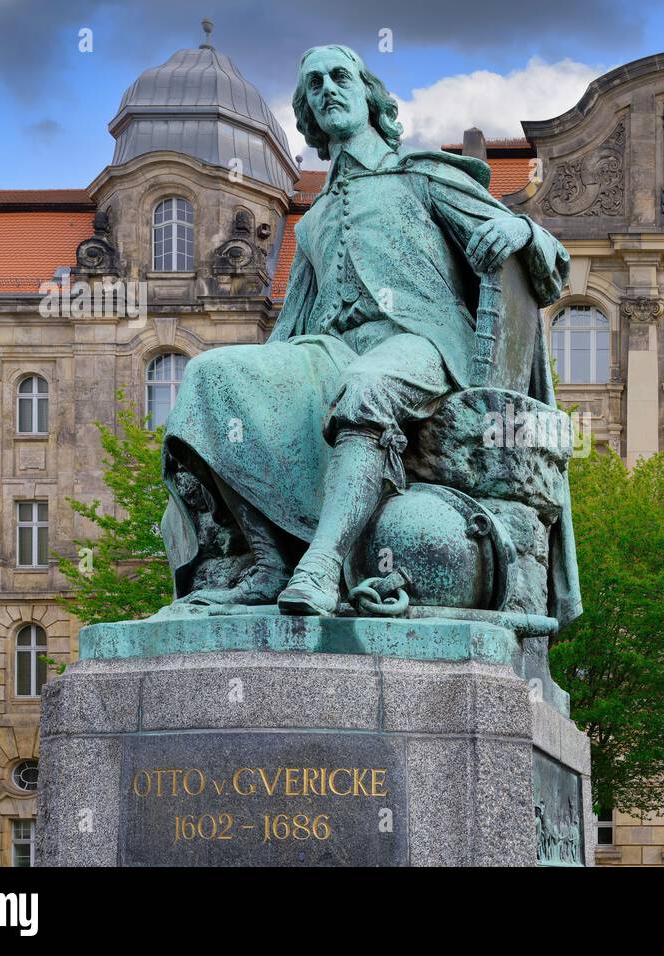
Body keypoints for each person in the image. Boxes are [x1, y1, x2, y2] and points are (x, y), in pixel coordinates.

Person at [159, 44, 580, 624]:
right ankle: (269, 563)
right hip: (329, 350)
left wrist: (518, 231)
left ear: (369, 96)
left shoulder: (422, 176)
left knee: (365, 386)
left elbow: (551, 262)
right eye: (313, 85)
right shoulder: (314, 221)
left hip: (421, 342)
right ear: (307, 113)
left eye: (340, 77)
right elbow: (290, 327)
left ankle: (325, 564)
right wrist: (255, 399)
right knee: (209, 377)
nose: (327, 89)